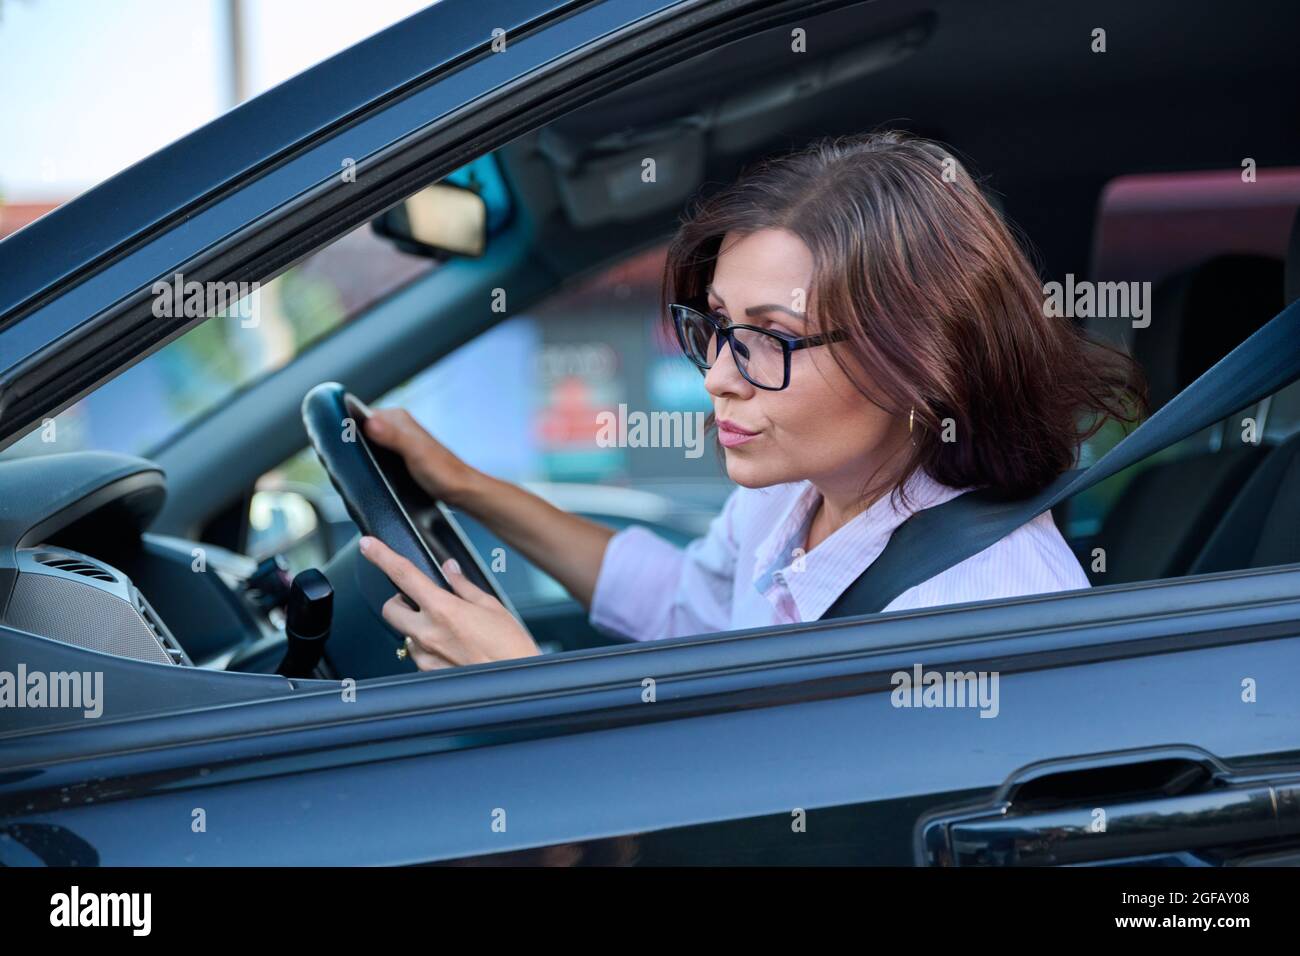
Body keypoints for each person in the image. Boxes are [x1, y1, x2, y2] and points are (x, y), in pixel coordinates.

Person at [356, 130, 1146, 669]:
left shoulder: (975, 603)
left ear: (919, 359)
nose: (717, 376)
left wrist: (520, 692)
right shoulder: (798, 495)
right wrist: (464, 485)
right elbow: (679, 607)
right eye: (721, 326)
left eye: (771, 335)